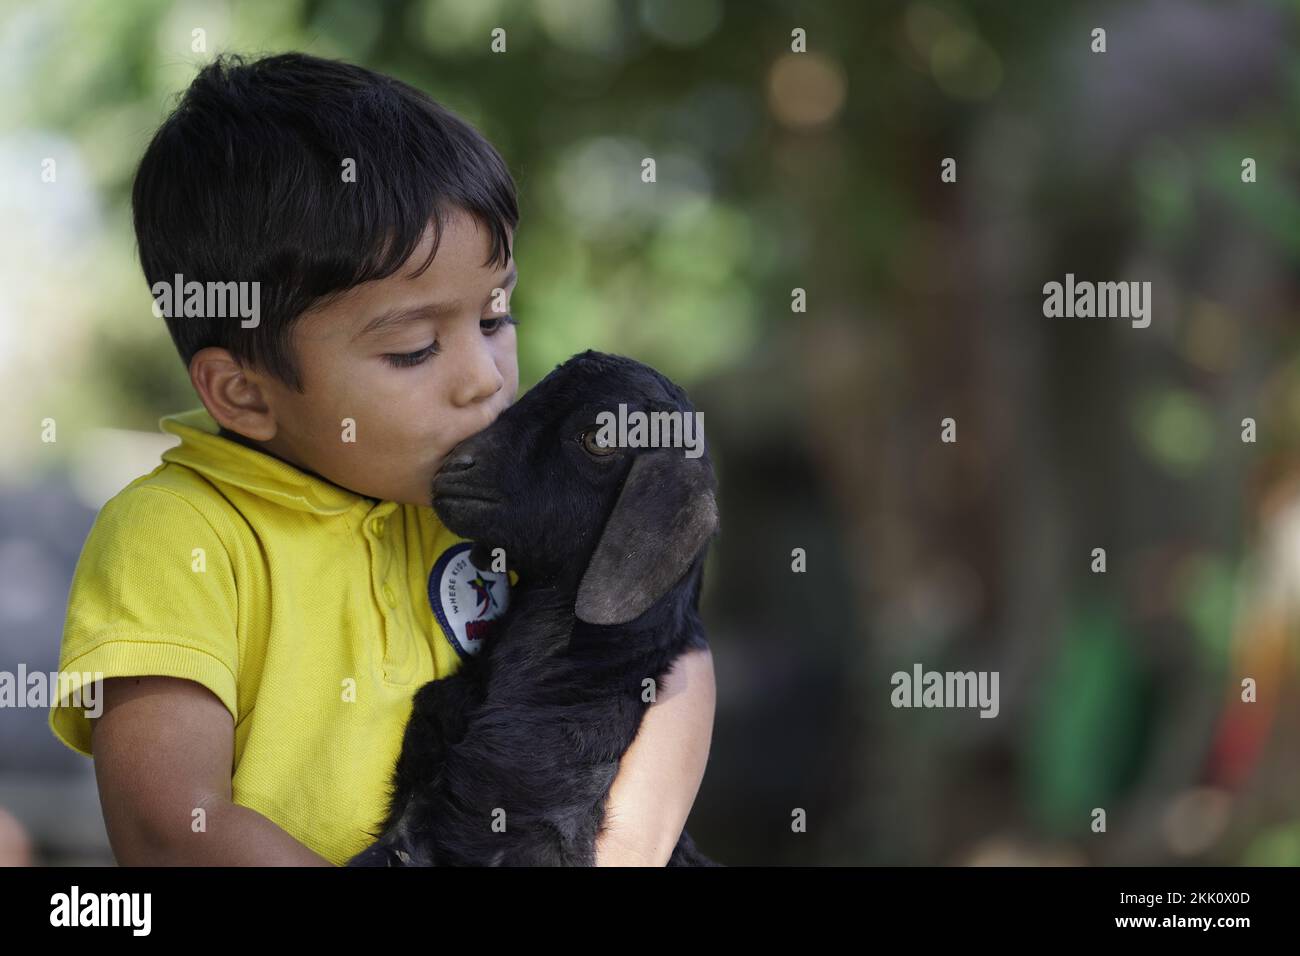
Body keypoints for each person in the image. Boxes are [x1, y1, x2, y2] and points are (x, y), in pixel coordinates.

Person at [48, 53, 714, 866]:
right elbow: (170, 825)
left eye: (496, 314)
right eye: (414, 348)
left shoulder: (494, 501)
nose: (483, 378)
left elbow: (670, 662)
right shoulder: (176, 535)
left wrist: (628, 848)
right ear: (246, 393)